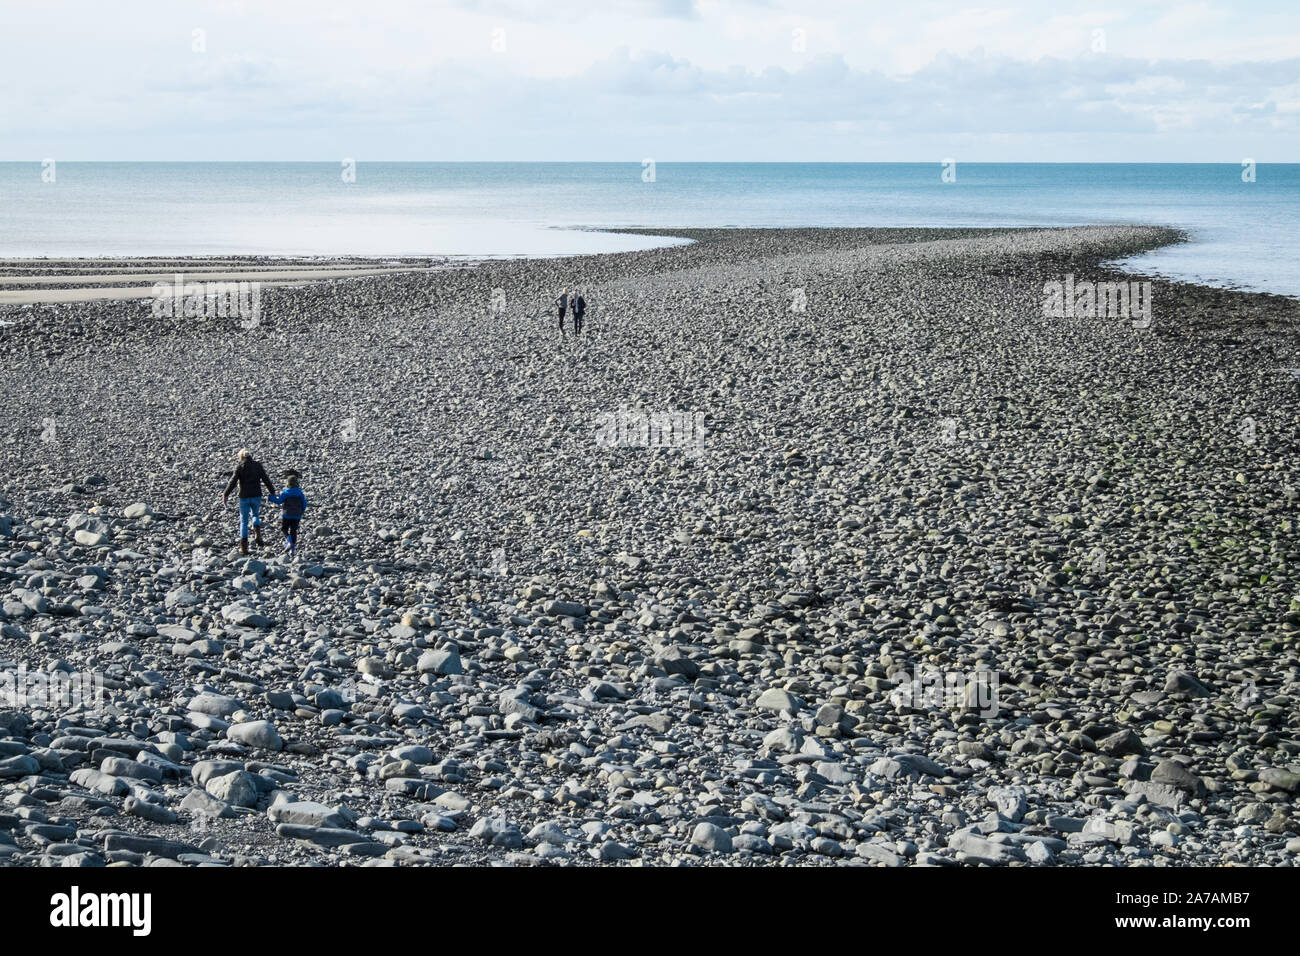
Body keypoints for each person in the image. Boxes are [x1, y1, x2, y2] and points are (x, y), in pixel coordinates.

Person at [222, 448, 276, 555]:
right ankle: (257, 534)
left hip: (244, 497)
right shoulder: (258, 465)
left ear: (241, 457)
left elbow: (233, 481)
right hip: (256, 496)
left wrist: (225, 494)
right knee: (255, 514)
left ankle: (244, 547)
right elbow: (266, 479)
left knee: (244, 522)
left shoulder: (240, 466)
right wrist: (272, 491)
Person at [266, 470, 309, 559]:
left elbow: (279, 501)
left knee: (284, 528)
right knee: (294, 530)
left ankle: (288, 541)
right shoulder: (300, 493)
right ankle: (292, 550)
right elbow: (304, 503)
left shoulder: (286, 492)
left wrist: (271, 498)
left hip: (287, 514)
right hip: (297, 515)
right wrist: (301, 511)